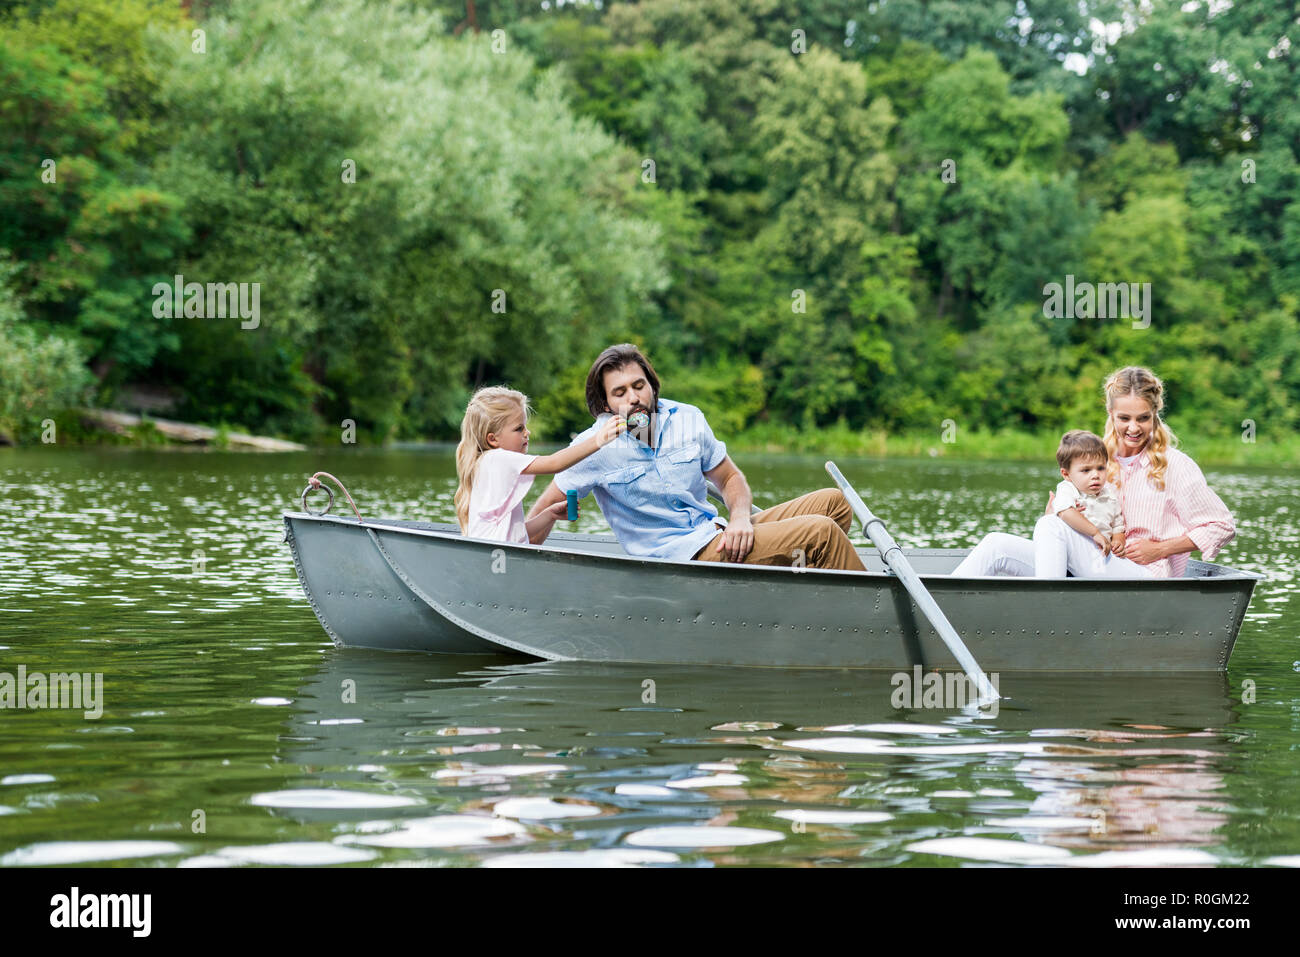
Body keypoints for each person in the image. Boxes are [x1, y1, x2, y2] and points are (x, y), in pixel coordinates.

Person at [525, 344, 866, 570]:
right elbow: (540, 515)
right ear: (605, 405)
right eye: (620, 392)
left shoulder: (688, 418)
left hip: (716, 532)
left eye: (639, 385)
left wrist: (740, 518)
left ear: (652, 385)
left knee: (834, 503)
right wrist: (507, 555)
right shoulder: (592, 447)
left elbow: (730, 479)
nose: (634, 397)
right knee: (821, 532)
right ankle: (870, 621)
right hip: (682, 558)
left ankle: (795, 595)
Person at [951, 366, 1235, 578]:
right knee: (997, 544)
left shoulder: (1175, 465)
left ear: (1155, 415)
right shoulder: (1098, 459)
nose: (1133, 428)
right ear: (1111, 413)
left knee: (1051, 526)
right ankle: (929, 615)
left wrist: (1160, 549)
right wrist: (1058, 514)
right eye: (1124, 418)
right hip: (1095, 559)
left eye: (1143, 418)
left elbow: (1220, 526)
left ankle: (1045, 604)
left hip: (1145, 575)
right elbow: (1068, 522)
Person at [454, 386, 624, 544]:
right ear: (493, 439)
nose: (527, 432)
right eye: (519, 428)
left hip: (497, 557)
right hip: (493, 558)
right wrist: (599, 439)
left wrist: (549, 515)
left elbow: (514, 535)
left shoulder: (489, 463)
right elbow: (554, 463)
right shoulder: (496, 459)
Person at [1040, 428, 1151, 578]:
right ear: (1066, 474)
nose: (1095, 475)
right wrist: (1095, 533)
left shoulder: (1109, 496)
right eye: (1086, 470)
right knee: (999, 541)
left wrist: (1118, 542)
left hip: (1098, 556)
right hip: (1074, 551)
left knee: (1048, 522)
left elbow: (1118, 527)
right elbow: (1065, 511)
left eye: (1100, 468)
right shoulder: (1068, 489)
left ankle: (1052, 591)